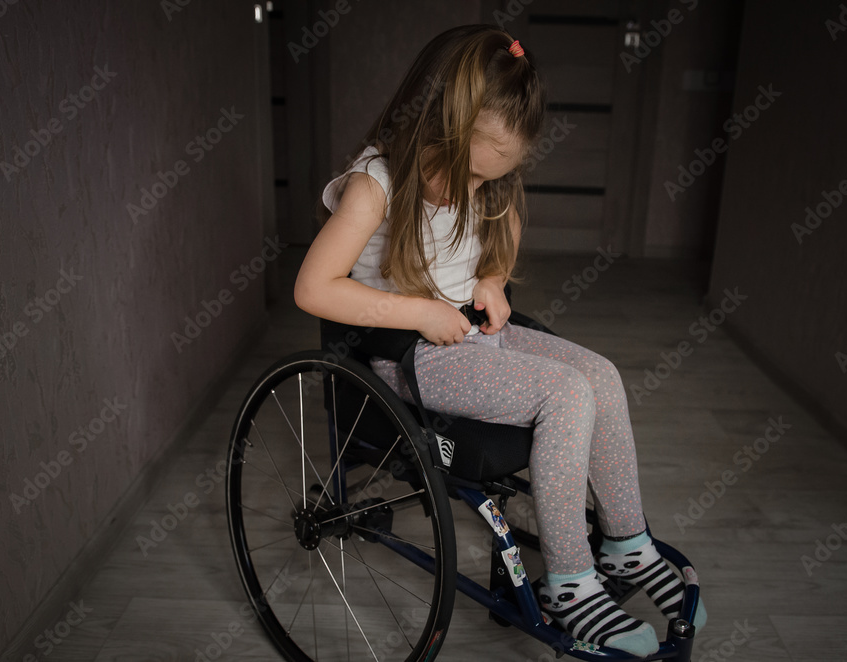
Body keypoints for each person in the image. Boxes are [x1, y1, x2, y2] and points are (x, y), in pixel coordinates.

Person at [294, 24, 705, 656]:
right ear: (438, 126)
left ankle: (626, 545)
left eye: (498, 174)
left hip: (476, 335)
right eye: (475, 171)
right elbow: (314, 289)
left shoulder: (488, 181)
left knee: (601, 375)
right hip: (413, 354)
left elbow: (501, 223)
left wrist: (490, 276)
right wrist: (419, 311)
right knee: (566, 395)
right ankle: (570, 581)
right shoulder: (376, 183)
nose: (479, 188)